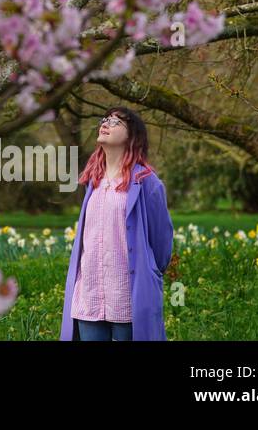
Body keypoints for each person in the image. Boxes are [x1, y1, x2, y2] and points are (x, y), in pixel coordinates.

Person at [59, 106, 174, 341]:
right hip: (89, 296)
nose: (106, 124)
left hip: (127, 298)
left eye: (116, 122)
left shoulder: (147, 183)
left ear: (132, 136)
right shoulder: (93, 181)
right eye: (105, 120)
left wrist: (149, 273)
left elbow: (161, 243)